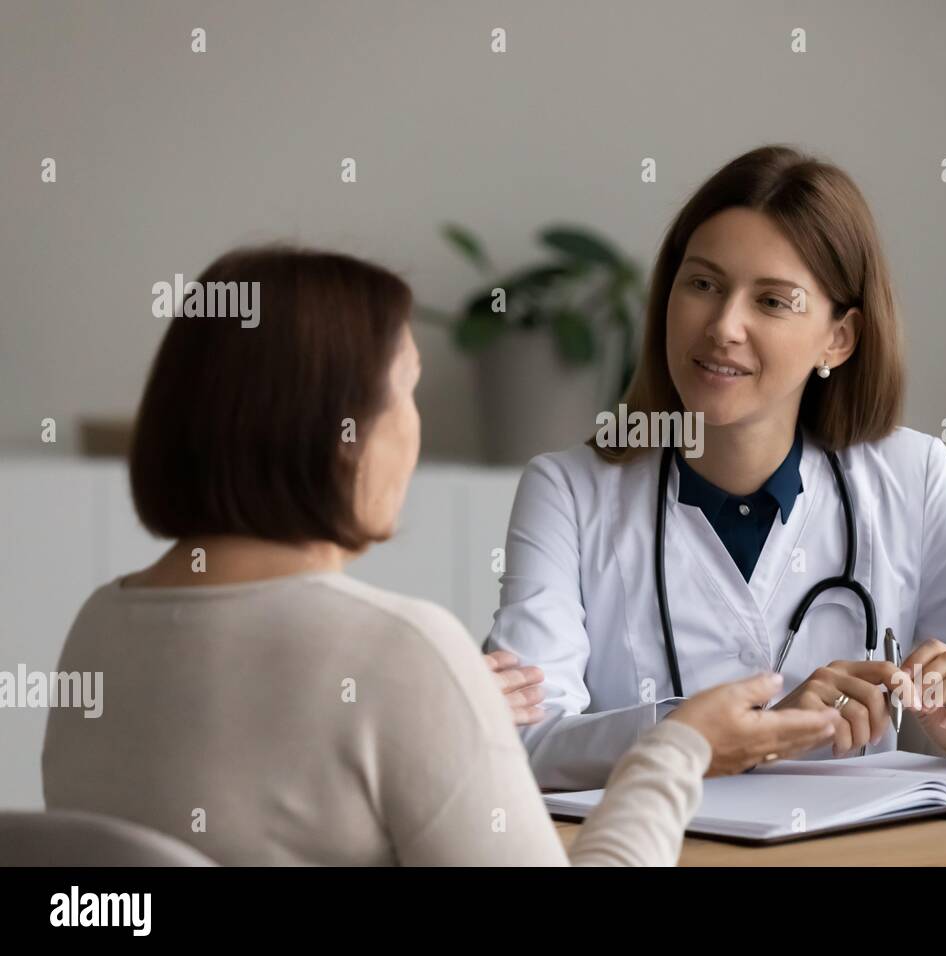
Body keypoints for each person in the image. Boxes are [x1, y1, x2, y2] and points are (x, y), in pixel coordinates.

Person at [41, 245, 837, 866]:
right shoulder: (399, 652)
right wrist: (681, 748)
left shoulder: (99, 629)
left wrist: (442, 714)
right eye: (406, 392)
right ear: (335, 429)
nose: (412, 432)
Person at [485, 144, 946, 791]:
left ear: (838, 339)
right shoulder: (570, 493)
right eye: (702, 284)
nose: (723, 325)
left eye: (772, 300)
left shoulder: (909, 479)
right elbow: (522, 743)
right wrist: (725, 731)